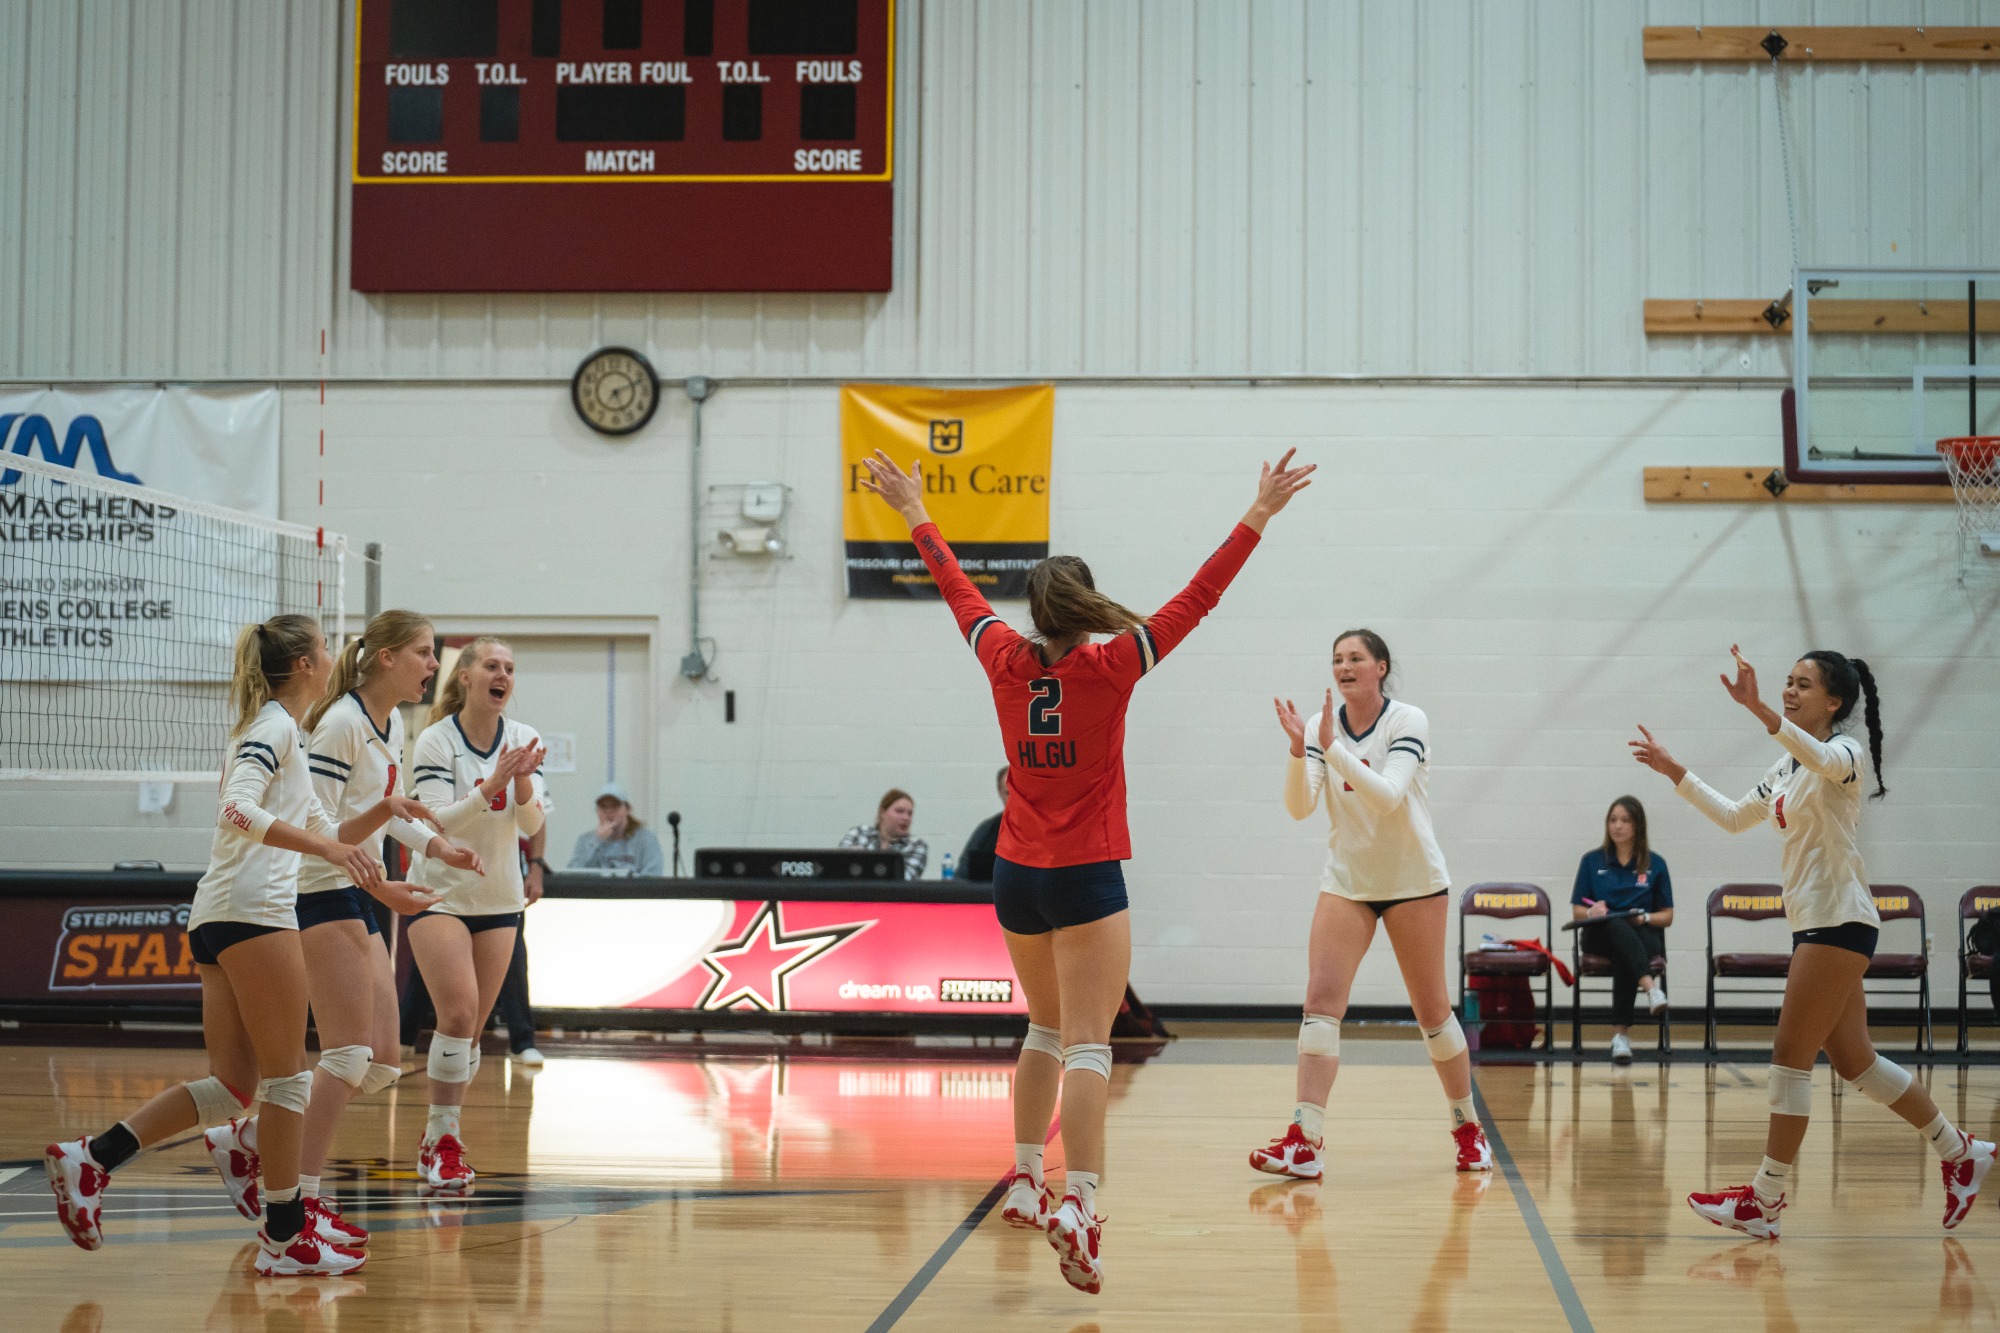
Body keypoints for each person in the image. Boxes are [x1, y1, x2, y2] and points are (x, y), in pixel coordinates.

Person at [859, 443, 1313, 1295]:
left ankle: (1029, 1179)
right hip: (1086, 874)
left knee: (1039, 1026)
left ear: (1034, 609)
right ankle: (1083, 1204)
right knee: (1090, 1045)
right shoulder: (1113, 664)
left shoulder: (1001, 655)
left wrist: (914, 507)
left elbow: (956, 587)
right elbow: (1199, 597)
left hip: (1014, 873)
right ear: (1084, 603)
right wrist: (1258, 513)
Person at [43, 615, 430, 1276]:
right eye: (323, 646)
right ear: (304, 664)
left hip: (221, 914)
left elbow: (327, 827)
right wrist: (326, 845)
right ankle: (284, 1234)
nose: (334, 654)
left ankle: (91, 1157)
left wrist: (380, 850)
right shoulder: (273, 726)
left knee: (232, 1085)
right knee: (288, 1083)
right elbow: (235, 808)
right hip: (254, 915)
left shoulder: (287, 732)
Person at [1632, 646, 1994, 1238]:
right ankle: (1960, 1151)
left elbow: (1822, 756)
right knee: (1858, 1063)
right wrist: (1675, 770)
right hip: (1816, 924)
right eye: (1787, 682)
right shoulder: (1786, 766)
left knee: (1789, 1056)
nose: (1790, 691)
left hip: (1839, 923)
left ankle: (1766, 1199)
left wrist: (1758, 712)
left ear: (1835, 701)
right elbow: (1732, 817)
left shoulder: (1845, 754)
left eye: (1803, 684)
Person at [201, 610, 485, 1250]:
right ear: (385, 657)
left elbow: (378, 817)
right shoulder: (337, 724)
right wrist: (382, 878)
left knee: (383, 1061)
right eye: (423, 653)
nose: (433, 666)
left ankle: (251, 1138)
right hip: (316, 890)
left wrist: (438, 847)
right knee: (349, 1054)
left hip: (358, 888)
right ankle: (298, 1197)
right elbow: (323, 832)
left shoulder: (390, 726)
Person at [1254, 631, 1493, 1184]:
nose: (1344, 666)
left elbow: (1388, 797)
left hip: (1414, 881)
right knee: (1320, 1002)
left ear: (1380, 667)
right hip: (1348, 881)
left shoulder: (1408, 720)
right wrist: (1300, 750)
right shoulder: (1320, 728)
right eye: (1336, 659)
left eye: (1355, 658)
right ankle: (1305, 1141)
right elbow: (1300, 807)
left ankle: (1467, 1129)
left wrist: (1332, 746)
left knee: (1432, 1012)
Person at [406, 636, 551, 1190]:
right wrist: (491, 784)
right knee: (460, 1014)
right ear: (465, 677)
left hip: (499, 900)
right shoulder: (436, 739)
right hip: (439, 894)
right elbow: (437, 822)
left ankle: (442, 1135)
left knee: (470, 1035)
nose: (503, 674)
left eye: (511, 668)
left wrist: (518, 781)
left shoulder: (523, 739)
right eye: (492, 665)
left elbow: (533, 825)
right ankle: (442, 1137)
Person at [1570, 796, 1673, 1065]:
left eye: (1625, 820)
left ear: (1637, 825)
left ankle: (1621, 1037)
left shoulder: (1656, 864)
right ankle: (1650, 988)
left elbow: (1667, 916)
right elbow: (1577, 911)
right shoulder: (1592, 861)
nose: (1617, 826)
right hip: (1599, 935)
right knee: (1616, 924)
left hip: (1642, 934)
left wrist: (1646, 917)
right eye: (1613, 820)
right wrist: (1592, 912)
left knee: (1625, 948)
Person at [569, 782, 664, 874]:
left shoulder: (646, 839)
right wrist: (596, 841)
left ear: (627, 809)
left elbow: (653, 875)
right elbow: (573, 875)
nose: (608, 811)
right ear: (597, 811)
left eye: (615, 806)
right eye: (603, 807)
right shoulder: (585, 840)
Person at [840, 789, 928, 879]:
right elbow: (839, 869)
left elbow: (904, 881)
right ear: (882, 812)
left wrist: (862, 861)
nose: (906, 818)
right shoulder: (858, 833)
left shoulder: (917, 845)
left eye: (910, 813)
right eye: (899, 811)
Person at [959, 767, 1010, 882]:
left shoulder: (1043, 829)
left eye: (1017, 794)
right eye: (1008, 793)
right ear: (1000, 792)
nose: (1012, 800)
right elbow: (963, 873)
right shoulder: (987, 829)